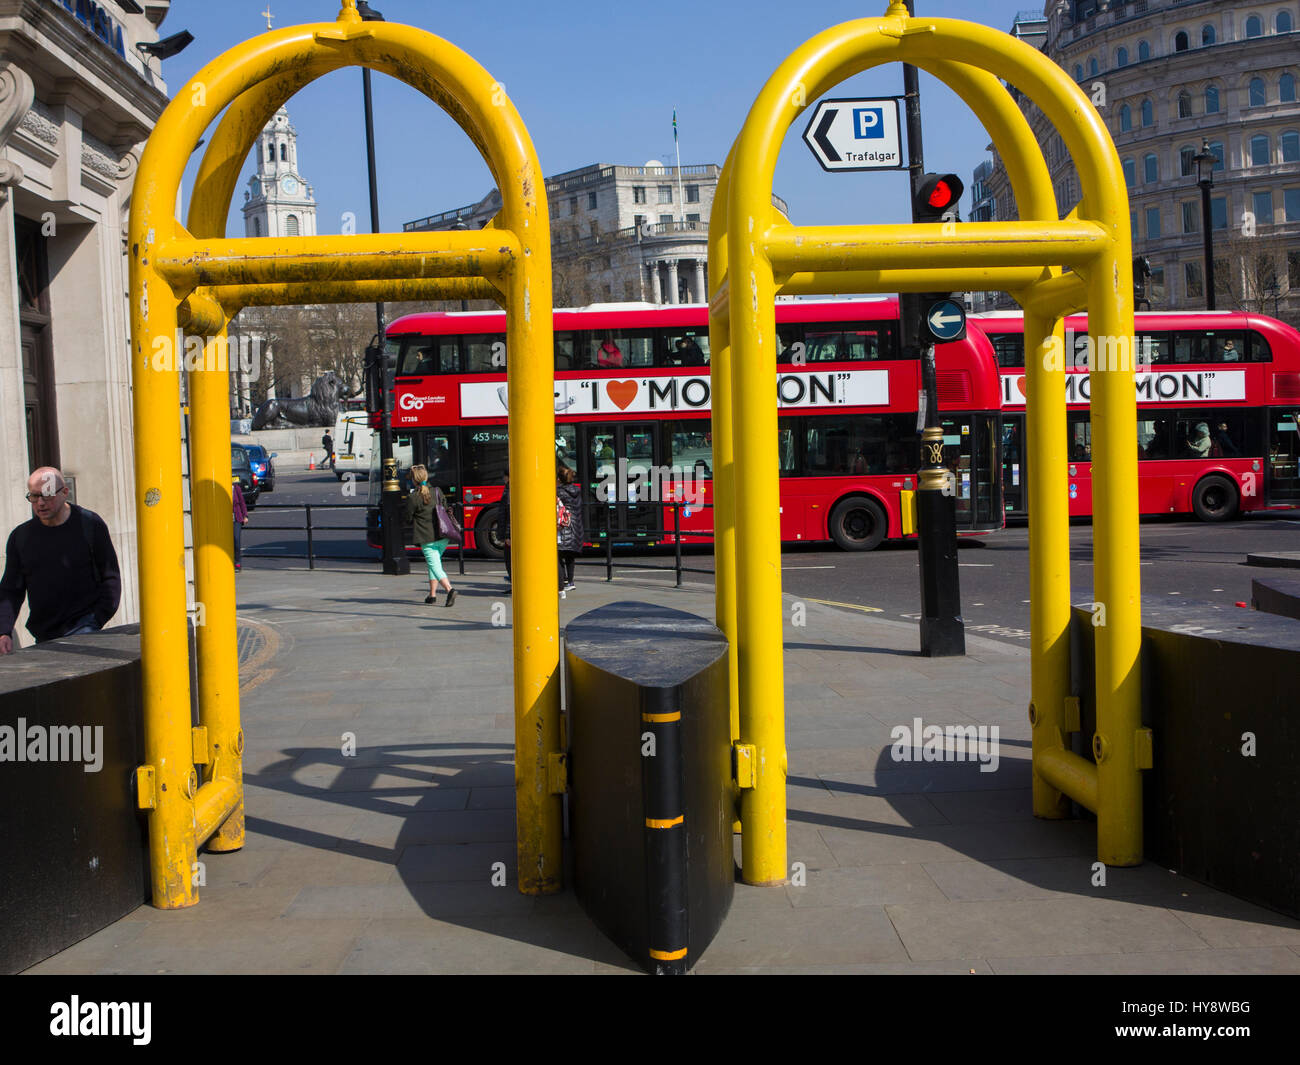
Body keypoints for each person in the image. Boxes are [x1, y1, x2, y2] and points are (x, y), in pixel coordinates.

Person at [0, 467, 121, 653]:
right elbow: (11, 590)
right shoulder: (21, 537)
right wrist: (4, 631)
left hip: (85, 629)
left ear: (65, 493)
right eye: (34, 496)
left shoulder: (89, 524)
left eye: (47, 496)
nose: (40, 503)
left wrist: (97, 618)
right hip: (43, 634)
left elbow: (110, 577)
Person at [405, 464, 458, 607]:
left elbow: (408, 518)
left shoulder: (413, 497)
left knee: (434, 565)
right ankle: (432, 594)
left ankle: (449, 589)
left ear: (414, 480)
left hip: (426, 537)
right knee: (434, 564)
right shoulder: (437, 491)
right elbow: (446, 509)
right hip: (443, 535)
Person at [556, 465, 584, 599]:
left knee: (559, 555)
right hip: (576, 526)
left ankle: (562, 583)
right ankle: (570, 581)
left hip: (563, 527)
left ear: (559, 479)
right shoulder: (577, 490)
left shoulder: (557, 492)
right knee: (570, 555)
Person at [232, 474, 248, 571]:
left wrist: (245, 515)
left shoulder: (236, 488)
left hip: (236, 517)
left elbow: (242, 502)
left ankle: (237, 562)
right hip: (224, 519)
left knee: (236, 540)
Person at [500, 472, 511, 584]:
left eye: (505, 476)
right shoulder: (508, 489)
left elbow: (509, 516)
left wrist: (507, 535)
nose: (503, 478)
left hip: (509, 532)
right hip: (508, 530)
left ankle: (514, 582)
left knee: (510, 559)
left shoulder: (509, 491)